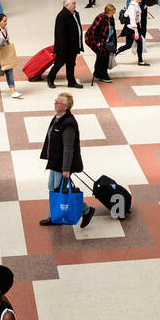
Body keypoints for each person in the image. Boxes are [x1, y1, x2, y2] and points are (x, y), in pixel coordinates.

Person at [39, 91, 96, 227]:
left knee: (59, 189)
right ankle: (56, 214)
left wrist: (66, 169)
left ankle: (85, 210)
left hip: (63, 164)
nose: (55, 103)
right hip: (55, 161)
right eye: (55, 100)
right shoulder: (58, 117)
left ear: (65, 107)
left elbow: (69, 148)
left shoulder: (69, 123)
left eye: (58, 102)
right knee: (53, 187)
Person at [46, 0, 84, 89]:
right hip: (64, 47)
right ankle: (50, 78)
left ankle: (71, 81)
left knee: (71, 64)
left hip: (73, 46)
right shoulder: (62, 16)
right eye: (73, 3)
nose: (75, 5)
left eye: (75, 3)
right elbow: (59, 34)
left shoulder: (75, 14)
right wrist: (62, 49)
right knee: (58, 64)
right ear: (66, 5)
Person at [85, 5, 118, 83]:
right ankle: (103, 75)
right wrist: (97, 43)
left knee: (101, 56)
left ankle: (97, 73)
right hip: (95, 40)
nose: (113, 14)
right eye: (112, 12)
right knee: (103, 57)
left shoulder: (111, 18)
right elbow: (93, 31)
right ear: (107, 12)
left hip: (105, 40)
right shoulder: (100, 18)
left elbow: (113, 28)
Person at [116, 0, 148, 66]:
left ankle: (140, 61)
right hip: (131, 28)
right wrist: (136, 32)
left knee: (139, 43)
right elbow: (132, 20)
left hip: (134, 27)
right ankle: (115, 52)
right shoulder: (132, 7)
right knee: (128, 45)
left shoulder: (136, 4)